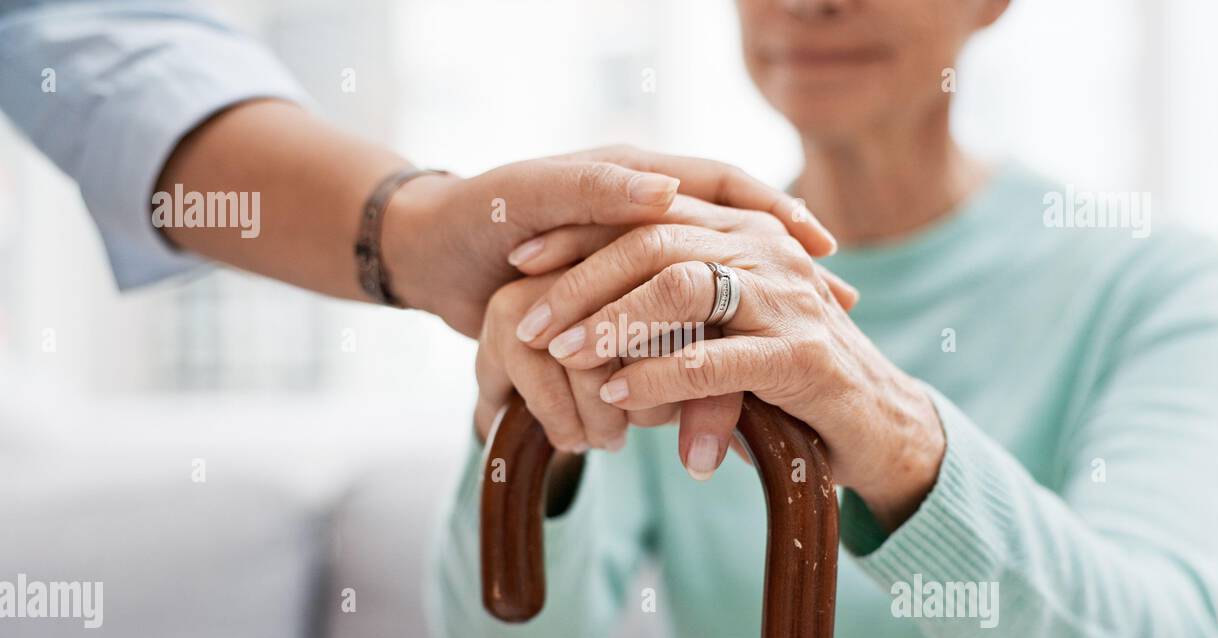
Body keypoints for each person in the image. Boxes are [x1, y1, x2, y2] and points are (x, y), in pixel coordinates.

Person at [431, 0, 1218, 638]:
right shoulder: (666, 284)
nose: (810, 1)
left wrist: (897, 440)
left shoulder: (1155, 285)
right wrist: (524, 416)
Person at [0, 0, 835, 340]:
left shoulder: (680, 283)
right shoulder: (650, 281)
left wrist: (420, 231)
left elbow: (96, 37)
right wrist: (425, 231)